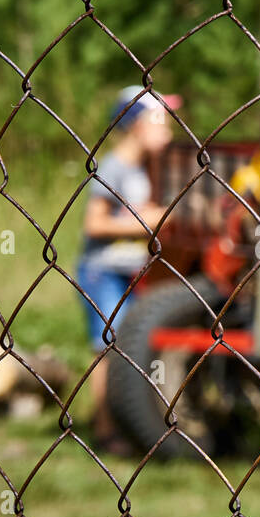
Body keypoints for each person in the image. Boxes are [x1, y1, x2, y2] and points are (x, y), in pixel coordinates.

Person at [79, 86, 179, 447]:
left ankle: (132, 423)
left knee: (133, 346)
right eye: (160, 120)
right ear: (136, 124)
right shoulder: (114, 167)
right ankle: (106, 431)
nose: (168, 128)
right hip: (103, 270)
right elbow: (95, 223)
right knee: (108, 349)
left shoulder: (145, 169)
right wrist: (146, 221)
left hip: (134, 273)